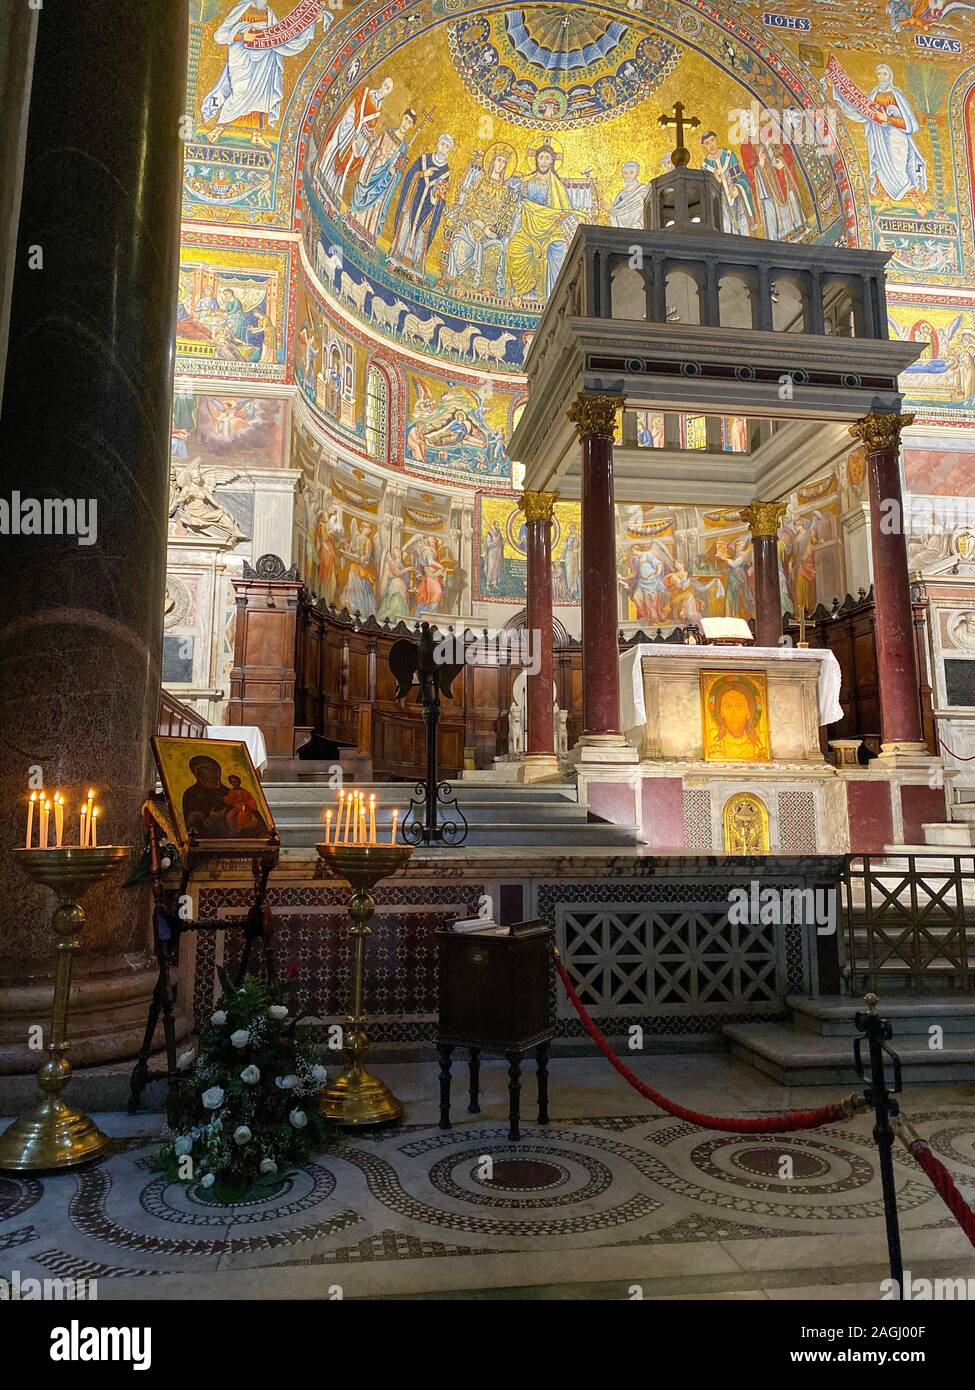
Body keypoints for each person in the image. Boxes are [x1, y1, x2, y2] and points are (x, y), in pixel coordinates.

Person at [202, 1, 326, 147]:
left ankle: (257, 134)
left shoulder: (270, 14)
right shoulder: (241, 9)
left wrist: (311, 20)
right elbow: (220, 35)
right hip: (242, 58)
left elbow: (286, 36)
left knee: (263, 95)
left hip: (266, 60)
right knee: (240, 91)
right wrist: (241, 36)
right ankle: (219, 128)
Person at [829, 64, 927, 210]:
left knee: (899, 168)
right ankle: (885, 201)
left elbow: (912, 126)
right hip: (878, 137)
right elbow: (859, 111)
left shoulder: (898, 96)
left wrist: (888, 118)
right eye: (879, 74)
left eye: (884, 74)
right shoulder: (873, 95)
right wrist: (836, 88)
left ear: (890, 77)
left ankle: (916, 203)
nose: (881, 77)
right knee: (880, 166)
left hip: (897, 138)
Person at [506, 144, 579, 303]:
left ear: (552, 161)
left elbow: (564, 212)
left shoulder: (557, 186)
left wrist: (554, 219)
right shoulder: (526, 182)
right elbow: (515, 203)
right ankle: (523, 292)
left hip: (552, 230)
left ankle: (554, 298)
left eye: (547, 158)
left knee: (558, 247)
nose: (544, 162)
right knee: (514, 247)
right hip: (527, 229)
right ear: (536, 160)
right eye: (541, 158)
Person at [316, 76, 394, 204]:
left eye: (387, 88)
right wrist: (353, 128)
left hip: (357, 138)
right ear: (381, 83)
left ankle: (333, 189)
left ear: (389, 92)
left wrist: (365, 137)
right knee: (334, 146)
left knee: (347, 161)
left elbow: (370, 128)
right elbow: (353, 108)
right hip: (348, 127)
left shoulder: (378, 111)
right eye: (384, 84)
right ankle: (322, 173)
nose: (384, 88)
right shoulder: (366, 93)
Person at [389, 133, 454, 276]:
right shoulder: (423, 159)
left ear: (449, 151)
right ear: (437, 144)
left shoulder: (446, 172)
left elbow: (441, 198)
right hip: (413, 200)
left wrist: (434, 196)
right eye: (442, 144)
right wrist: (423, 174)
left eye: (447, 147)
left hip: (428, 209)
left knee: (420, 236)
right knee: (406, 225)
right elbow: (409, 176)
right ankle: (396, 257)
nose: (443, 148)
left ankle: (413, 267)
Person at [348, 109, 417, 240]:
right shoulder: (386, 134)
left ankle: (366, 235)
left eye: (409, 122)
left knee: (376, 209)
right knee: (363, 194)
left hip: (384, 183)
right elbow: (372, 150)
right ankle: (352, 224)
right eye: (406, 119)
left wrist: (393, 172)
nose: (406, 123)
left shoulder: (404, 149)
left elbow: (399, 174)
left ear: (411, 126)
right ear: (402, 117)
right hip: (373, 173)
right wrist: (377, 160)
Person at [700, 131, 754, 236]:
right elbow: (706, 194)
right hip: (723, 208)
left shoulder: (729, 156)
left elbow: (742, 176)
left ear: (716, 140)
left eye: (712, 140)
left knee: (745, 232)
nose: (711, 145)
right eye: (707, 143)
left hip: (738, 203)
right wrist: (715, 180)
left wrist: (738, 188)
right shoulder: (705, 166)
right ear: (704, 146)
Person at [706, 679, 768, 760]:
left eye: (739, 706)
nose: (733, 712)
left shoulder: (758, 747)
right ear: (720, 712)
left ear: (749, 712)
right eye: (728, 706)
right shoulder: (716, 745)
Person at [182, 756, 234, 838]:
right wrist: (195, 816)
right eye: (206, 768)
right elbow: (186, 823)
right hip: (201, 841)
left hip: (230, 839)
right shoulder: (191, 793)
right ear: (197, 773)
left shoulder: (230, 792)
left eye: (214, 769)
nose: (211, 772)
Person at [608, 161, 648, 229]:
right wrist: (610, 209)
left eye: (631, 172)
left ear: (636, 173)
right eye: (625, 173)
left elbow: (646, 207)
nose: (628, 175)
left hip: (638, 224)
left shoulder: (642, 189)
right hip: (620, 227)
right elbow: (615, 210)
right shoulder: (621, 194)